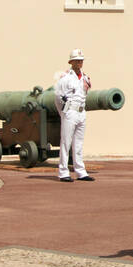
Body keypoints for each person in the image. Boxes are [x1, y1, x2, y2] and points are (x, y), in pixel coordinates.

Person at [54, 48, 95, 182]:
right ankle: (63, 172)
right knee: (66, 142)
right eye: (76, 61)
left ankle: (80, 171)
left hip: (81, 111)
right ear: (71, 62)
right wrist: (64, 112)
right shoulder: (65, 78)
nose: (79, 63)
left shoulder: (84, 77)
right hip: (70, 111)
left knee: (78, 143)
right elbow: (58, 97)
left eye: (81, 61)